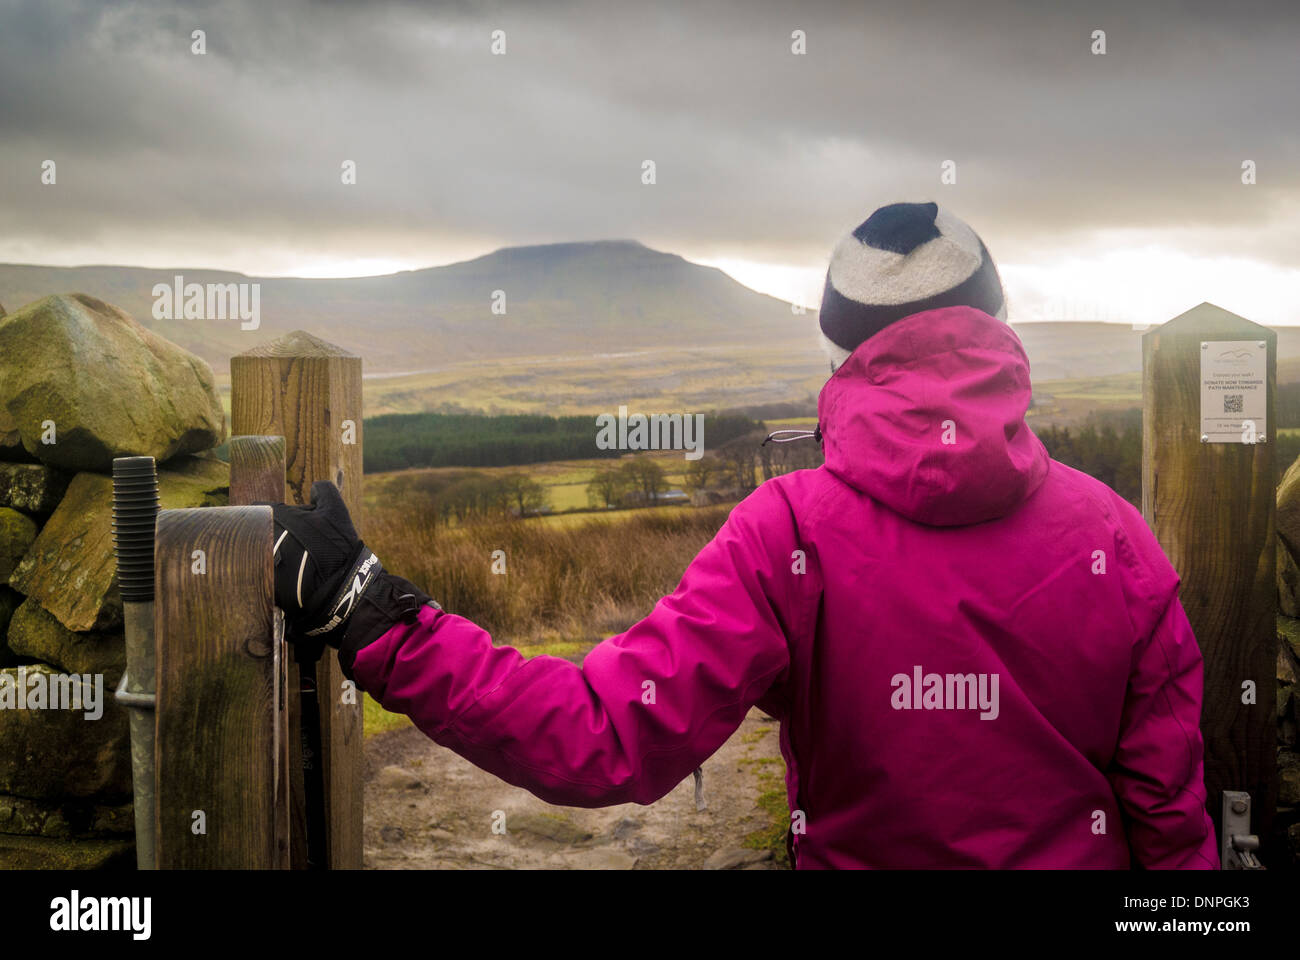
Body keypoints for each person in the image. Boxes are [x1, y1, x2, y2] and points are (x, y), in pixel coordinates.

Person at [269, 201, 1219, 869]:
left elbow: (606, 736)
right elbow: (1172, 826)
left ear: (844, 355)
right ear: (1002, 332)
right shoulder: (1117, 539)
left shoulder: (789, 535)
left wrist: (372, 612)